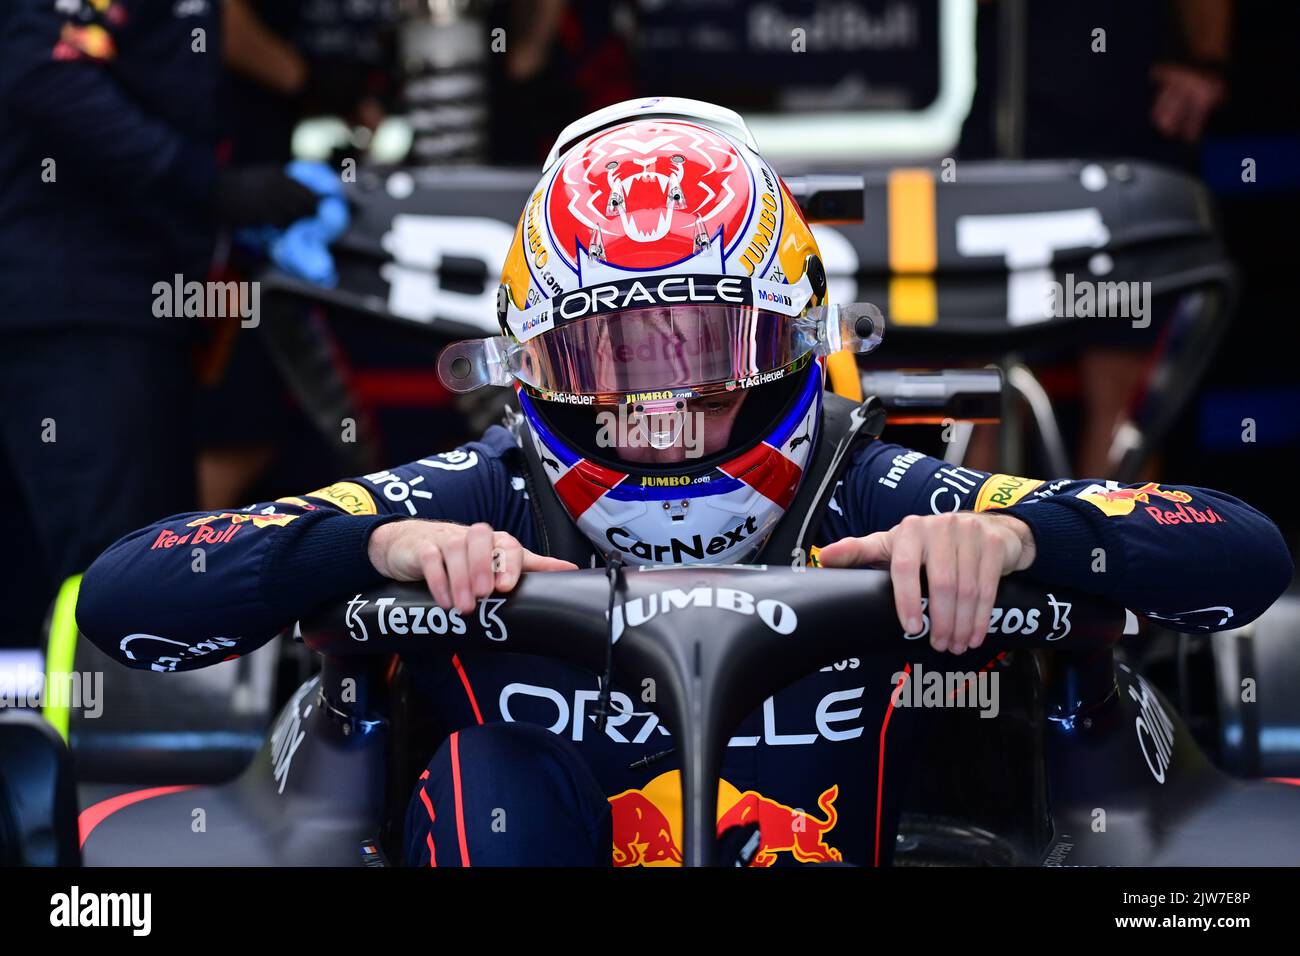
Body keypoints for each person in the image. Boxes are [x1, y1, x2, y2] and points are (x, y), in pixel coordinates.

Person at [76, 98, 1292, 867]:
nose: (654, 408)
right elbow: (130, 596)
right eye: (605, 359)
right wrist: (363, 552)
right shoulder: (468, 493)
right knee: (484, 780)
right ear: (528, 366)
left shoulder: (886, 492)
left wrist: (1023, 544)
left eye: (700, 350)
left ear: (788, 344)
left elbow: (1241, 553)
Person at [0, 0, 322, 646]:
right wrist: (206, 186)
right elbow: (46, 72)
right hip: (76, 303)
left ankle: (120, 735)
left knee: (150, 552)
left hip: (141, 305)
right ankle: (87, 743)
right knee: (107, 563)